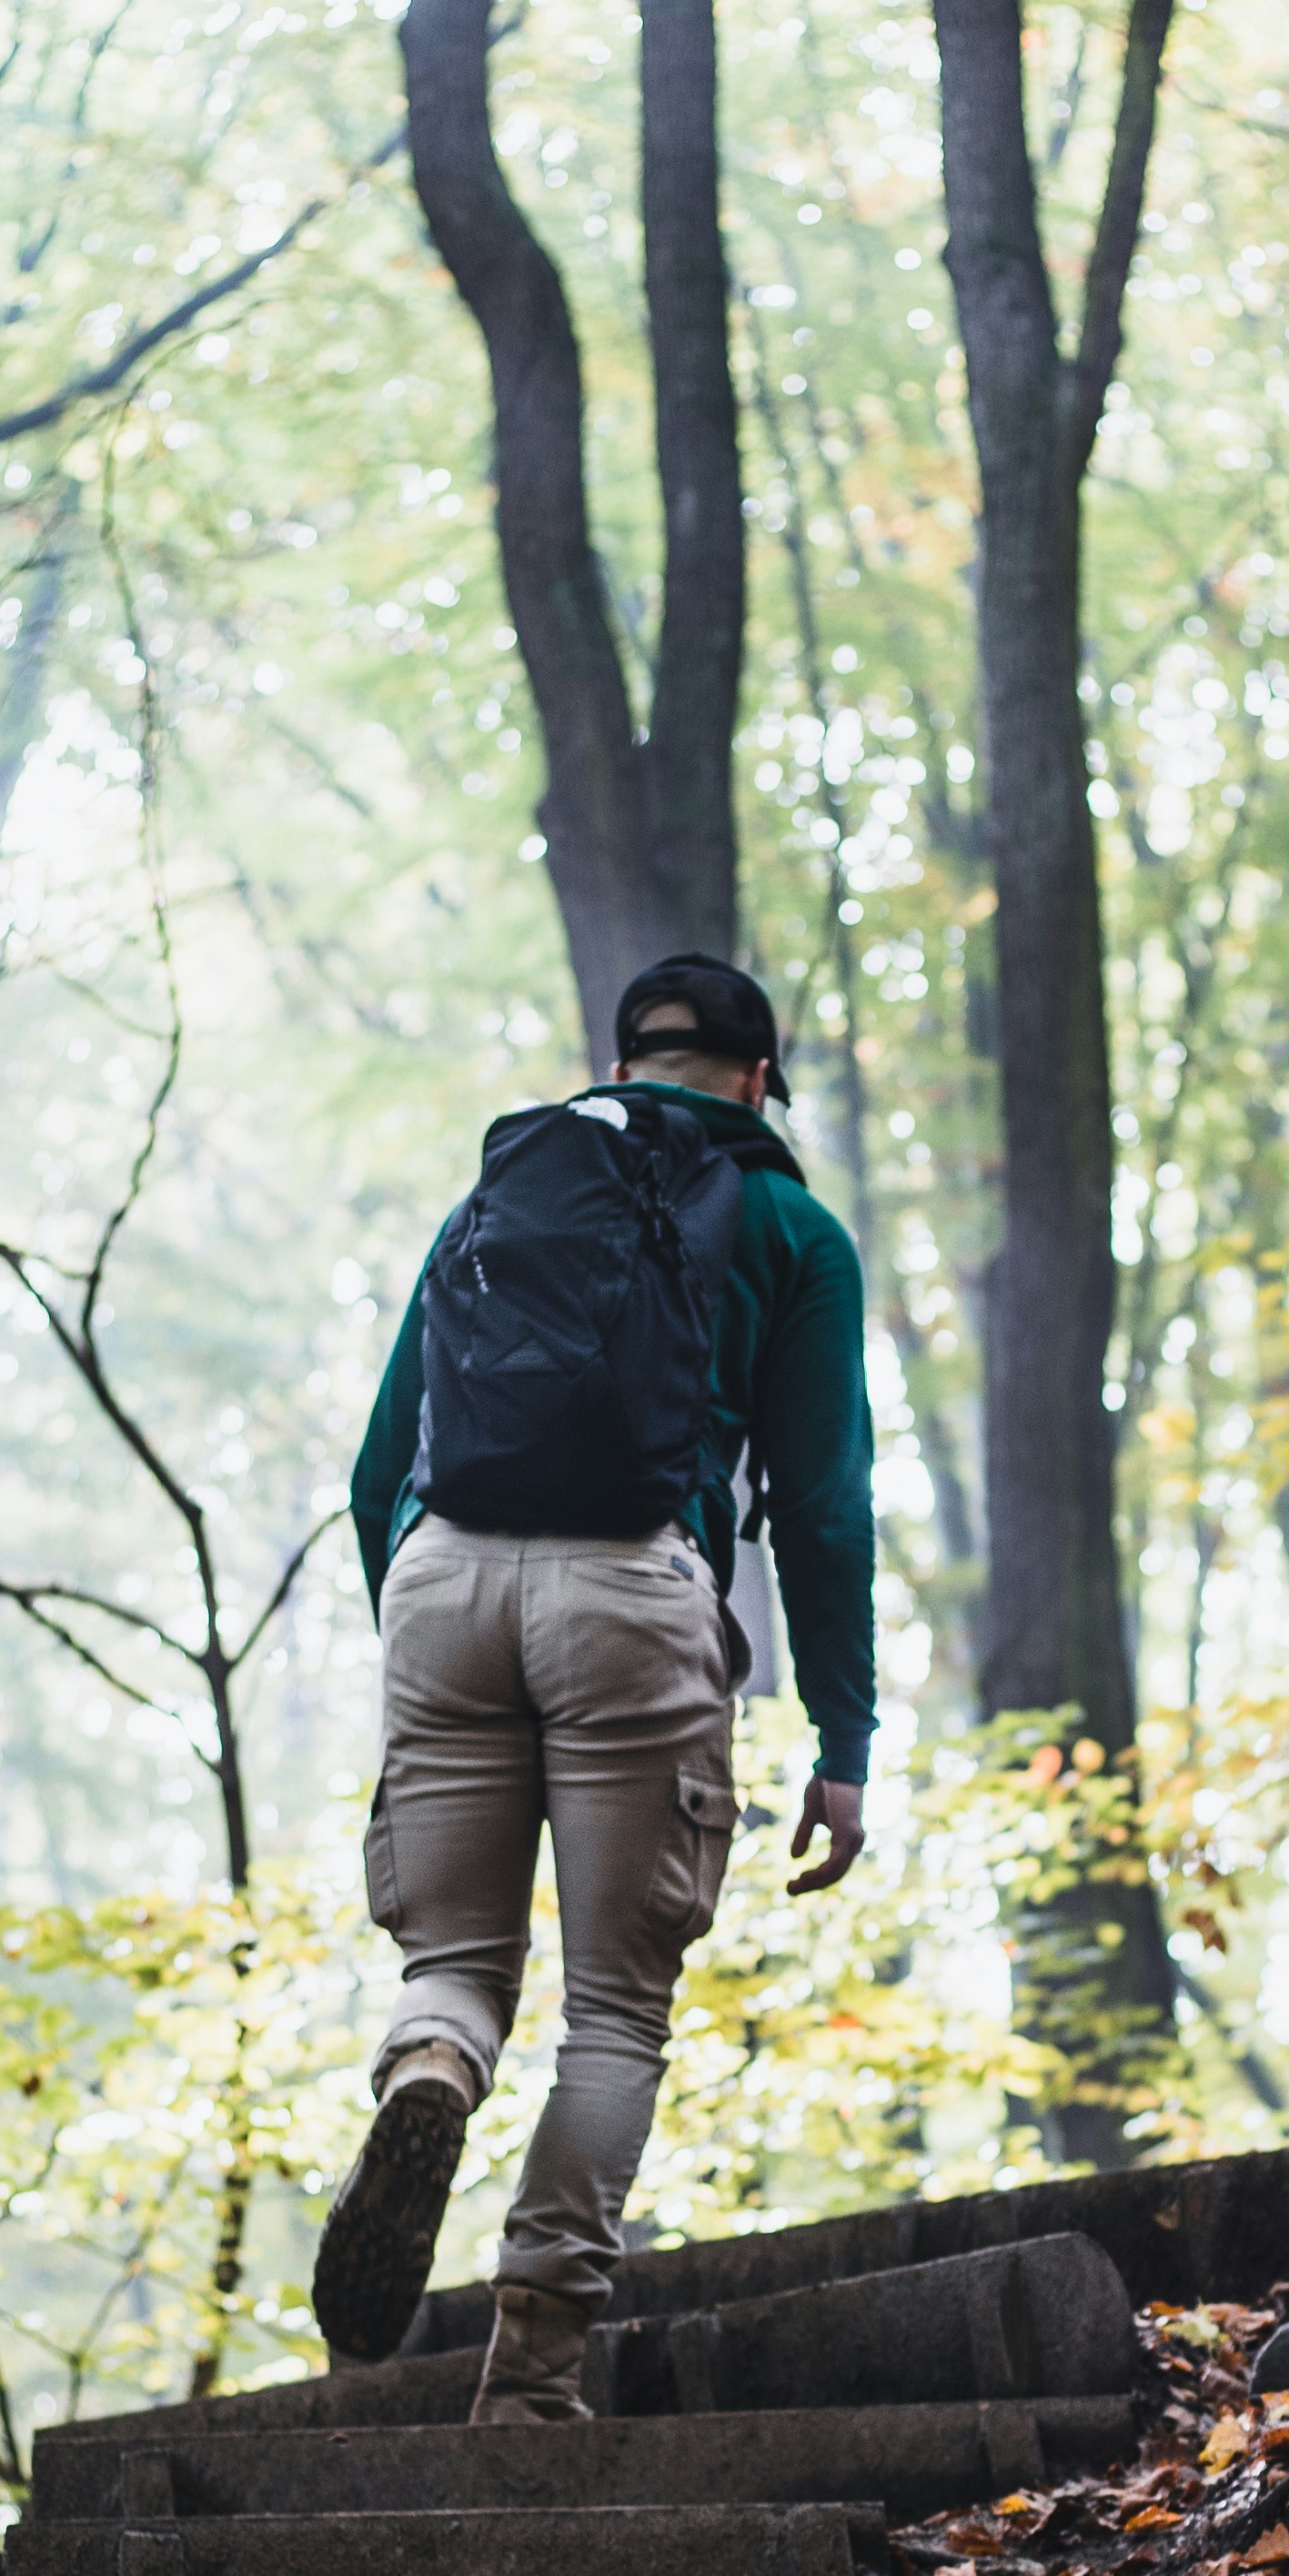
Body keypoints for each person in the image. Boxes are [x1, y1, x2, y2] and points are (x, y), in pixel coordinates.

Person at [315, 953, 874, 2419]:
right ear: (757, 1081)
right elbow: (821, 1504)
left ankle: (430, 2073)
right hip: (633, 1587)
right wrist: (844, 1735)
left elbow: (382, 1465)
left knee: (452, 1971)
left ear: (623, 1061)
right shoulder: (791, 1228)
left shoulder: (496, 1201)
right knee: (617, 2012)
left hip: (444, 1579)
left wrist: (435, 1632)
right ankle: (531, 2376)